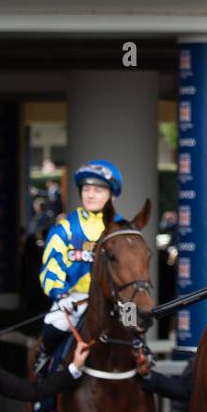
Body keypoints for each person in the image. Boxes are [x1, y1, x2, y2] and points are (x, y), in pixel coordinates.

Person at [34, 161, 128, 377]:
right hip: (74, 300)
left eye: (98, 190)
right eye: (86, 189)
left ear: (112, 195)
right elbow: (52, 265)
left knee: (134, 326)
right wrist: (60, 294)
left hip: (118, 300)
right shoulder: (65, 228)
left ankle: (144, 363)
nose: (90, 195)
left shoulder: (123, 229)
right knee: (54, 326)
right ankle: (44, 361)